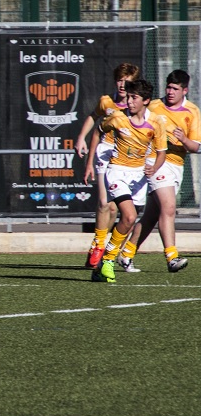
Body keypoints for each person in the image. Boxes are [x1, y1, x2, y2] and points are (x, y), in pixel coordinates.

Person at [118, 70, 198, 273]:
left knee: (152, 216)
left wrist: (184, 140)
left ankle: (126, 254)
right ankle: (172, 257)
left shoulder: (192, 111)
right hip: (155, 162)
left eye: (175, 88)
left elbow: (196, 146)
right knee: (169, 208)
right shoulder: (153, 105)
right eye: (168, 87)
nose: (170, 92)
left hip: (177, 165)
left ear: (185, 90)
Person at [91, 79, 166, 283]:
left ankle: (103, 263)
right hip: (117, 171)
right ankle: (107, 261)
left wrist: (155, 167)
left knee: (127, 221)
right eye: (129, 97)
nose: (130, 102)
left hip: (139, 176)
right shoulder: (117, 118)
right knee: (130, 216)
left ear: (146, 101)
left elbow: (161, 153)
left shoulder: (156, 123)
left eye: (134, 98)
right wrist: (93, 159)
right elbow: (99, 130)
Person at [76, 63, 138, 268]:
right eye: (119, 80)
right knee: (105, 203)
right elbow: (93, 119)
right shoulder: (107, 101)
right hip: (106, 153)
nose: (122, 85)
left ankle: (109, 249)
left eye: (126, 81)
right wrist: (81, 139)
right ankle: (98, 246)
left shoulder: (138, 105)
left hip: (128, 160)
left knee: (117, 210)